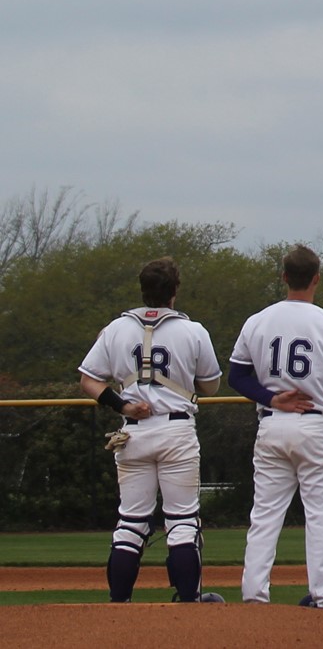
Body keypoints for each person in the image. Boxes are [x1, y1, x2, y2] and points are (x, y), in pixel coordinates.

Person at [77, 257, 225, 603]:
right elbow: (212, 386)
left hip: (133, 433)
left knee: (130, 523)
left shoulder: (116, 329)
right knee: (183, 520)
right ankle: (188, 599)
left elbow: (88, 380)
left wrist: (124, 405)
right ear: (175, 291)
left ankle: (119, 602)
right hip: (176, 431)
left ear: (143, 290)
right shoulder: (192, 330)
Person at [228, 244, 323, 608]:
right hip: (315, 425)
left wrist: (271, 397)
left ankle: (254, 595)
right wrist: (319, 380)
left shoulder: (258, 320)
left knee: (265, 515)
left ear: (284, 276)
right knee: (321, 517)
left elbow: (236, 376)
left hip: (272, 424)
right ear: (316, 278)